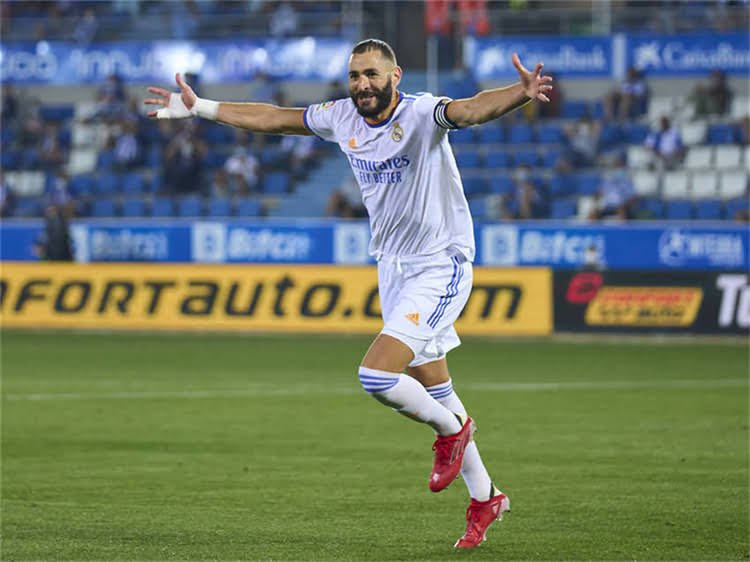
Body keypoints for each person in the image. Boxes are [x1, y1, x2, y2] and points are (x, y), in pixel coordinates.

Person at [145, 38, 552, 549]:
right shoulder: (341, 116)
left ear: (395, 76)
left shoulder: (421, 113)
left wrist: (518, 93)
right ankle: (485, 496)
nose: (362, 84)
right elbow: (274, 118)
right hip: (394, 271)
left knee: (377, 375)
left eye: (372, 74)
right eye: (355, 75)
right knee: (435, 388)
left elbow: (470, 110)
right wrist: (201, 107)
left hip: (440, 265)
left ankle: (453, 431)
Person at [588, 155, 637, 221]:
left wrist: (625, 204)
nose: (617, 169)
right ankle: (592, 228)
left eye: (619, 166)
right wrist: (595, 203)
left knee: (621, 211)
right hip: (608, 207)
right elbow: (598, 193)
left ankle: (622, 227)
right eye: (616, 166)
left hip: (622, 207)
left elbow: (633, 197)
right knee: (593, 213)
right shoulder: (607, 181)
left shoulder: (627, 182)